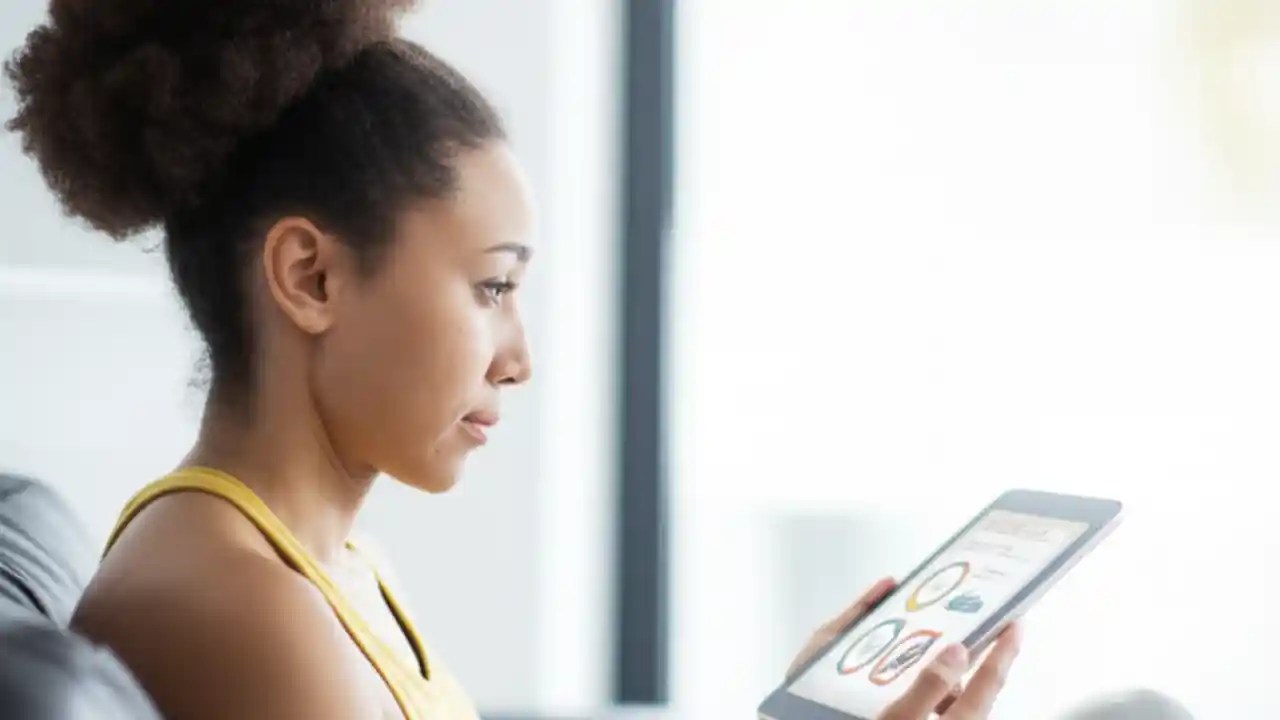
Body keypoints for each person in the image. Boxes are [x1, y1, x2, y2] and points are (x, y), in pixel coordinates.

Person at [4, 1, 1020, 718]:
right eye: (492, 287)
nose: (518, 360)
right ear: (310, 277)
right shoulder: (236, 607)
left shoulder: (328, 567)